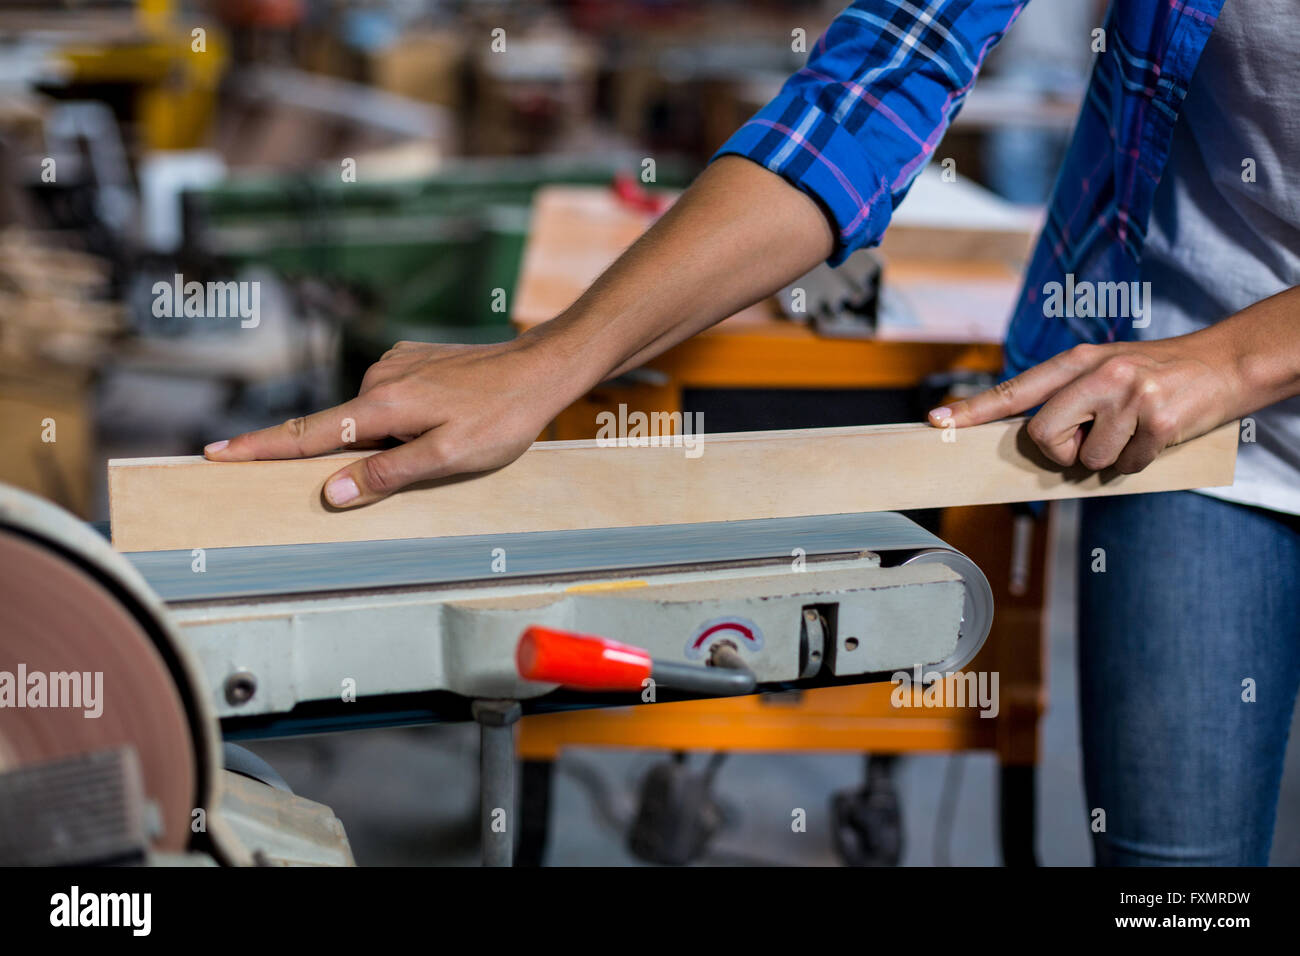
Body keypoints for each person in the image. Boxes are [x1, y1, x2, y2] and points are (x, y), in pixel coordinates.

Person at [204, 0, 1300, 865]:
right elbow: (870, 87)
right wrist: (555, 359)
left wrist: (1236, 359)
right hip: (1197, 438)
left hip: (1202, 381)